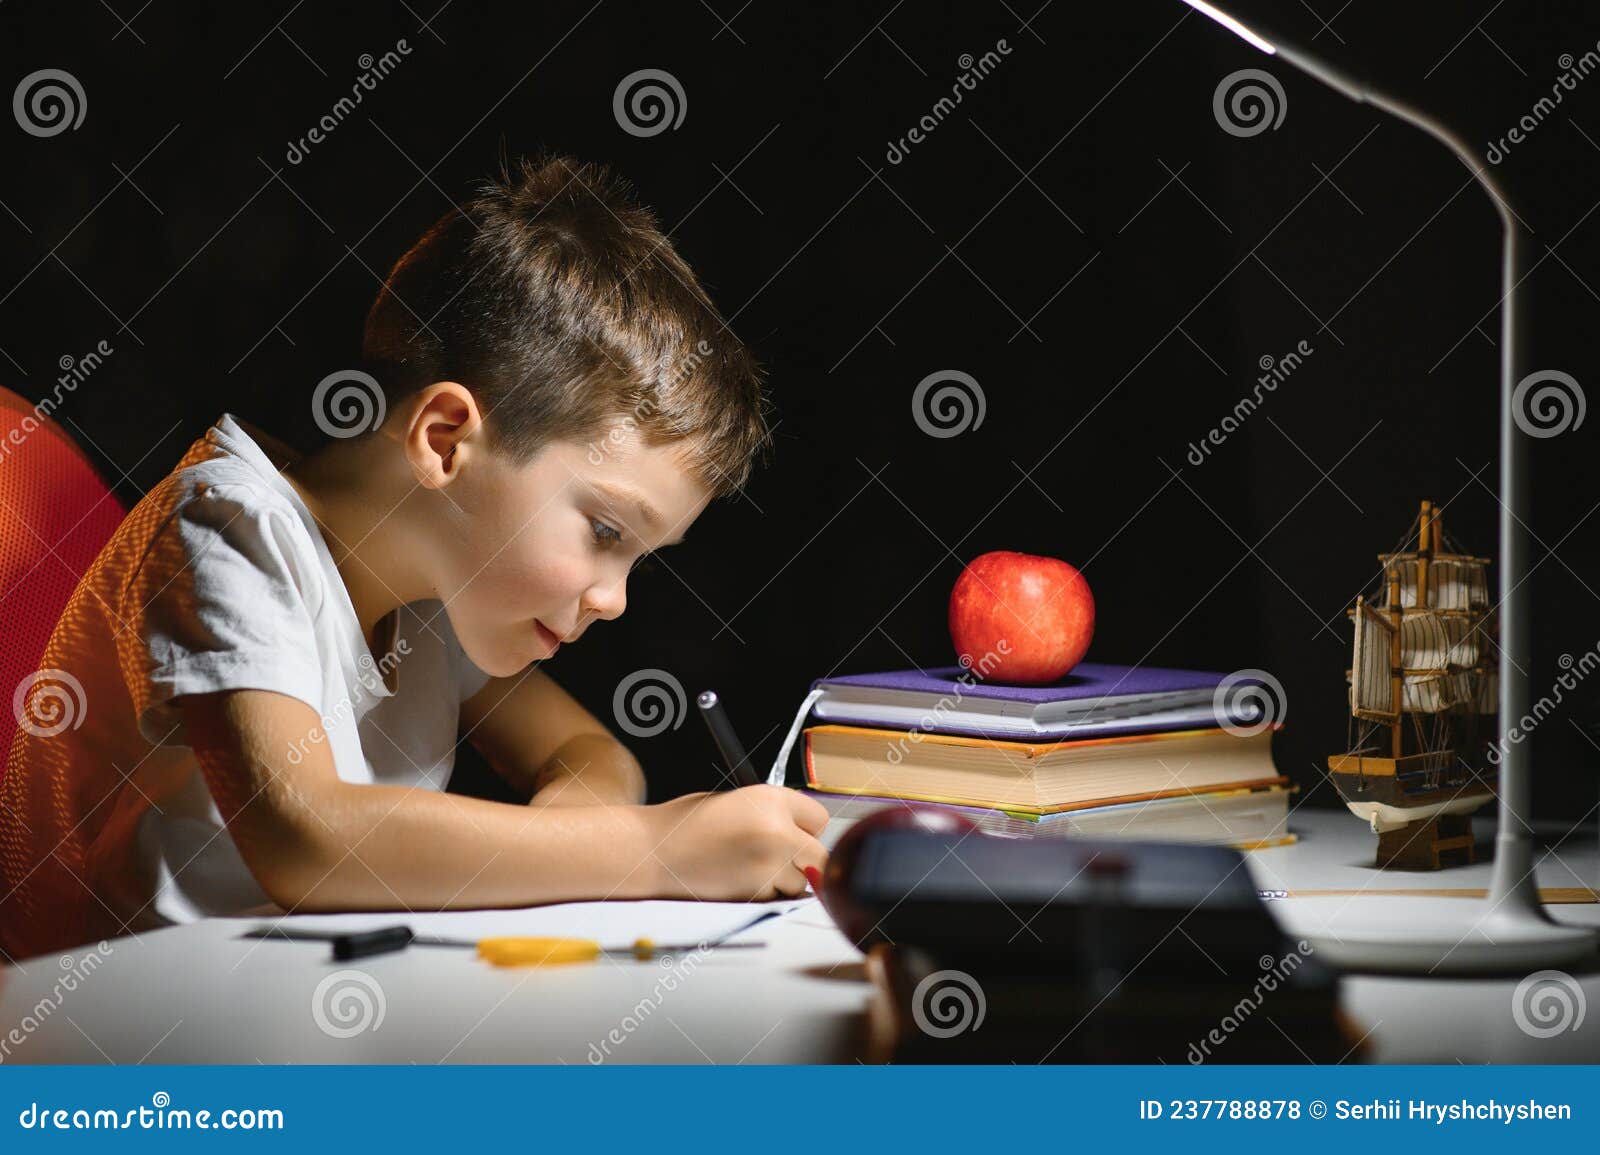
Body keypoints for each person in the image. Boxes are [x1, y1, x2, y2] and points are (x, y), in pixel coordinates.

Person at [0, 154, 827, 961]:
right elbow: (307, 838)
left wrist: (578, 838)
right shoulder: (229, 527)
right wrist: (650, 850)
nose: (614, 599)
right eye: (606, 532)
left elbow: (591, 754)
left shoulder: (438, 589)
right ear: (444, 440)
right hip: (108, 1040)